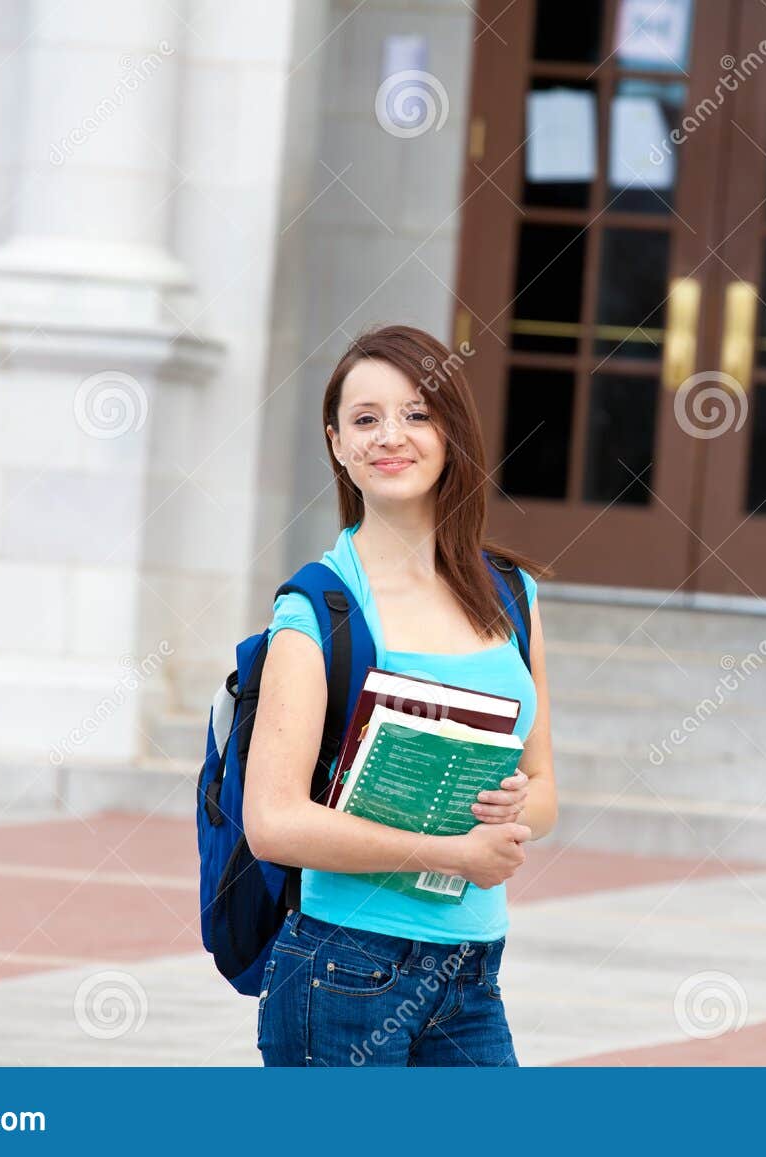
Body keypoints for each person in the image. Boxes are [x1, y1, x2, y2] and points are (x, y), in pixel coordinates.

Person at [243, 324, 556, 1067]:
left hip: (473, 972)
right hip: (342, 967)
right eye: (366, 419)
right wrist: (450, 850)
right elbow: (272, 821)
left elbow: (543, 790)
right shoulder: (318, 610)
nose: (392, 436)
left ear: (451, 433)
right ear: (338, 443)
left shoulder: (512, 592)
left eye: (417, 414)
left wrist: (511, 817)